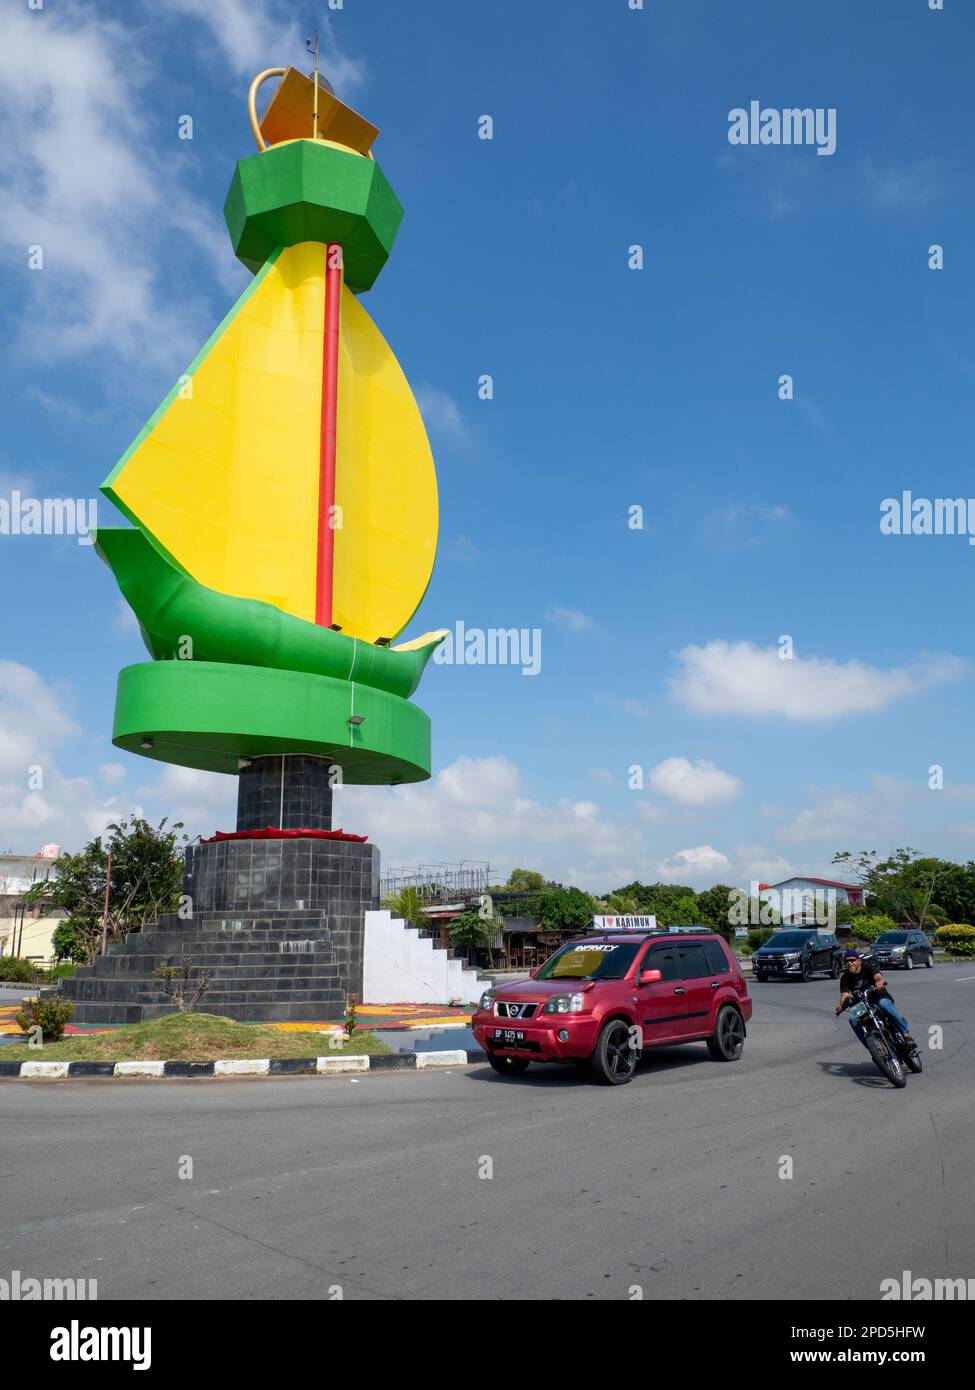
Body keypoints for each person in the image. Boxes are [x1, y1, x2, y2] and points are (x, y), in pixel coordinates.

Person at [835, 948, 915, 1047]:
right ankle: (872, 1047)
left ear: (858, 960)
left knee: (884, 1005)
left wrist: (879, 981)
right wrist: (840, 1006)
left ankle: (905, 1033)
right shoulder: (845, 977)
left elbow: (877, 976)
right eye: (847, 961)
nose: (850, 963)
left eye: (852, 960)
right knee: (853, 1019)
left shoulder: (867, 967)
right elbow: (844, 994)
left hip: (878, 995)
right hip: (862, 1003)